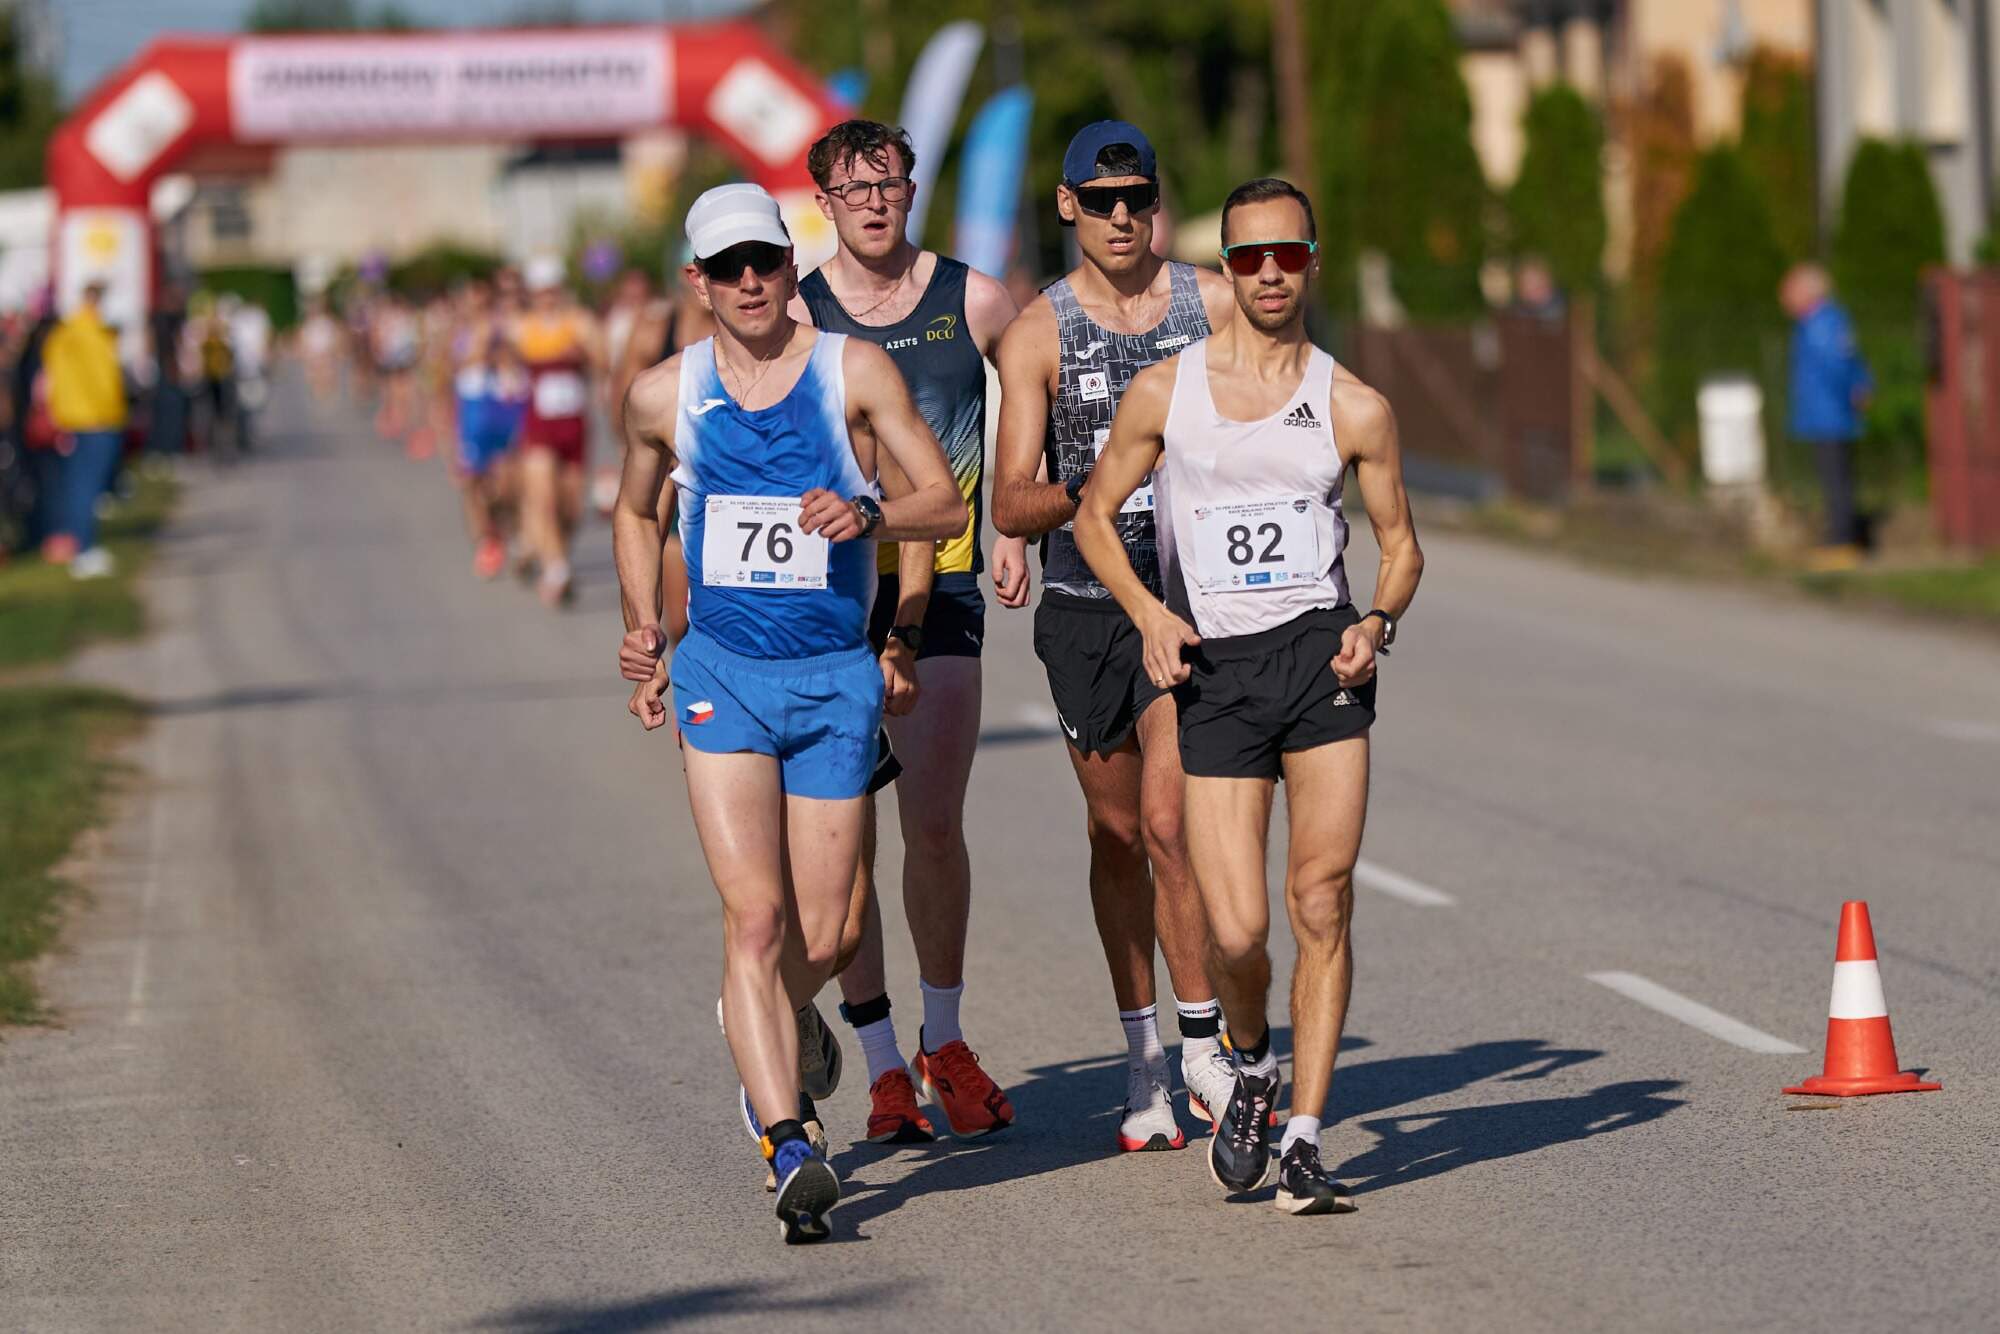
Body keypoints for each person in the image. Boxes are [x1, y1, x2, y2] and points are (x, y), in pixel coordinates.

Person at [613, 183, 963, 1243]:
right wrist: (641, 626)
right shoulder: (660, 395)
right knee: (754, 919)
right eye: (728, 269)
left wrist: (867, 509)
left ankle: (755, 1009)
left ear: (784, 261)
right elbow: (633, 510)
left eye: (764, 259)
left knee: (835, 924)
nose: (751, 281)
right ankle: (787, 1140)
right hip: (724, 675)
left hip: (833, 678)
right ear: (698, 283)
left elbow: (945, 501)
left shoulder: (847, 370)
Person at [1076, 177, 1424, 1214]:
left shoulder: (1353, 401)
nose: (1268, 272)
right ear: (1222, 269)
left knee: (1318, 898)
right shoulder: (1165, 392)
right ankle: (1249, 1059)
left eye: (1286, 254)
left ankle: (1307, 1136)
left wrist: (1376, 623)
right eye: (1246, 257)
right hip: (1215, 673)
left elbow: (1400, 547)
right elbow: (1095, 515)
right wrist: (1146, 612)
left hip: (1319, 663)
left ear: (1310, 260)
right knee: (1235, 934)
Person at [992, 121, 1240, 1153]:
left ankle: (1201, 1045)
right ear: (1066, 207)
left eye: (1137, 195)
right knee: (1118, 836)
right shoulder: (1035, 333)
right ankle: (1141, 1052)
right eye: (1100, 201)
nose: (1122, 216)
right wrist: (1093, 490)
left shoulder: (1210, 303)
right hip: (1085, 609)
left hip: (1193, 603)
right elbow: (1008, 499)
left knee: (1173, 824)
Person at [792, 118, 1026, 1144]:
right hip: (826, 597)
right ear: (825, 202)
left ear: (911, 188)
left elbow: (1032, 409)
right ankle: (882, 1062)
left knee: (932, 822)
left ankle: (942, 1035)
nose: (875, 200)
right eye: (854, 187)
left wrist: (1016, 524)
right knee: (844, 848)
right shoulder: (792, 310)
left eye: (889, 181)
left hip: (947, 580)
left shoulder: (971, 298)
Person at [612, 244, 716, 642]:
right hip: (669, 475)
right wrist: (637, 454)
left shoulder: (737, 330)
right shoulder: (656, 329)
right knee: (678, 623)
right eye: (706, 270)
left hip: (719, 476)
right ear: (686, 274)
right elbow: (625, 398)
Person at [511, 256, 603, 607]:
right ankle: (556, 567)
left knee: (572, 506)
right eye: (540, 292)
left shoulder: (578, 322)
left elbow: (603, 361)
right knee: (543, 498)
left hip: (573, 425)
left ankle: (545, 548)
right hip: (537, 425)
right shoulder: (521, 327)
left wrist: (583, 354)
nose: (546, 298)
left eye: (552, 291)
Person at [1780, 263, 1872, 568]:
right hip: (1823, 412)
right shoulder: (1813, 323)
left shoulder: (1823, 324)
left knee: (1837, 479)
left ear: (1808, 292)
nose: (1784, 296)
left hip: (1830, 413)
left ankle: (1842, 542)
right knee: (1833, 477)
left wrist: (1855, 390)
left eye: (1790, 289)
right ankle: (1839, 536)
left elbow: (1839, 366)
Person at [41, 280, 130, 579]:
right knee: (86, 486)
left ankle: (81, 544)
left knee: (79, 484)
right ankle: (83, 549)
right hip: (95, 417)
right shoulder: (89, 332)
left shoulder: (65, 332)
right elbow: (103, 380)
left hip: (76, 416)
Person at [451, 280, 526, 578]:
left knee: (505, 483)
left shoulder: (505, 324)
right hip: (470, 408)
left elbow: (516, 358)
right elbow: (452, 369)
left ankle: (506, 529)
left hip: (499, 404)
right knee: (472, 481)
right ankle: (486, 541)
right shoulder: (460, 332)